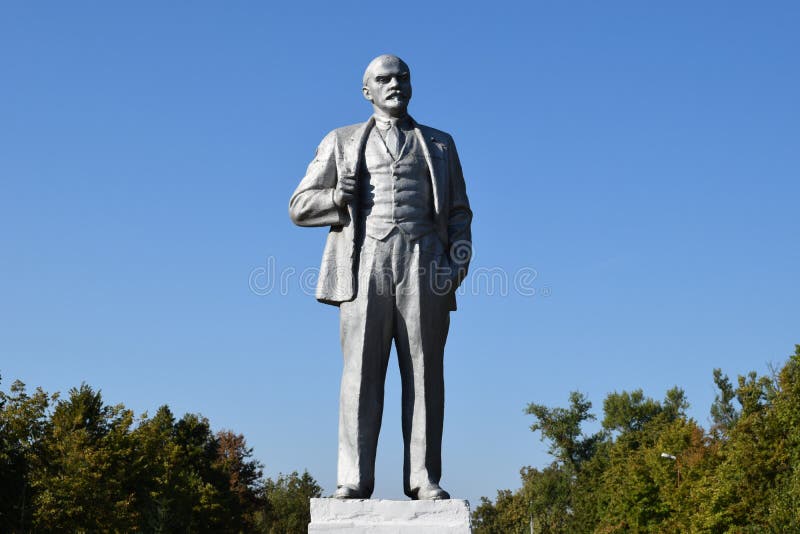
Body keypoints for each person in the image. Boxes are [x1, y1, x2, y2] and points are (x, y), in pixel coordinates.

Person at [289, 54, 472, 500]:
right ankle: (353, 478)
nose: (394, 84)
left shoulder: (441, 143)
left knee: (426, 375)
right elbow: (299, 206)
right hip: (364, 261)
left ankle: (423, 477)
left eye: (402, 77)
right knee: (360, 375)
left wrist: (455, 267)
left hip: (425, 262)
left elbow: (459, 213)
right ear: (366, 91)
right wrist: (336, 197)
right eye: (384, 78)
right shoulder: (341, 140)